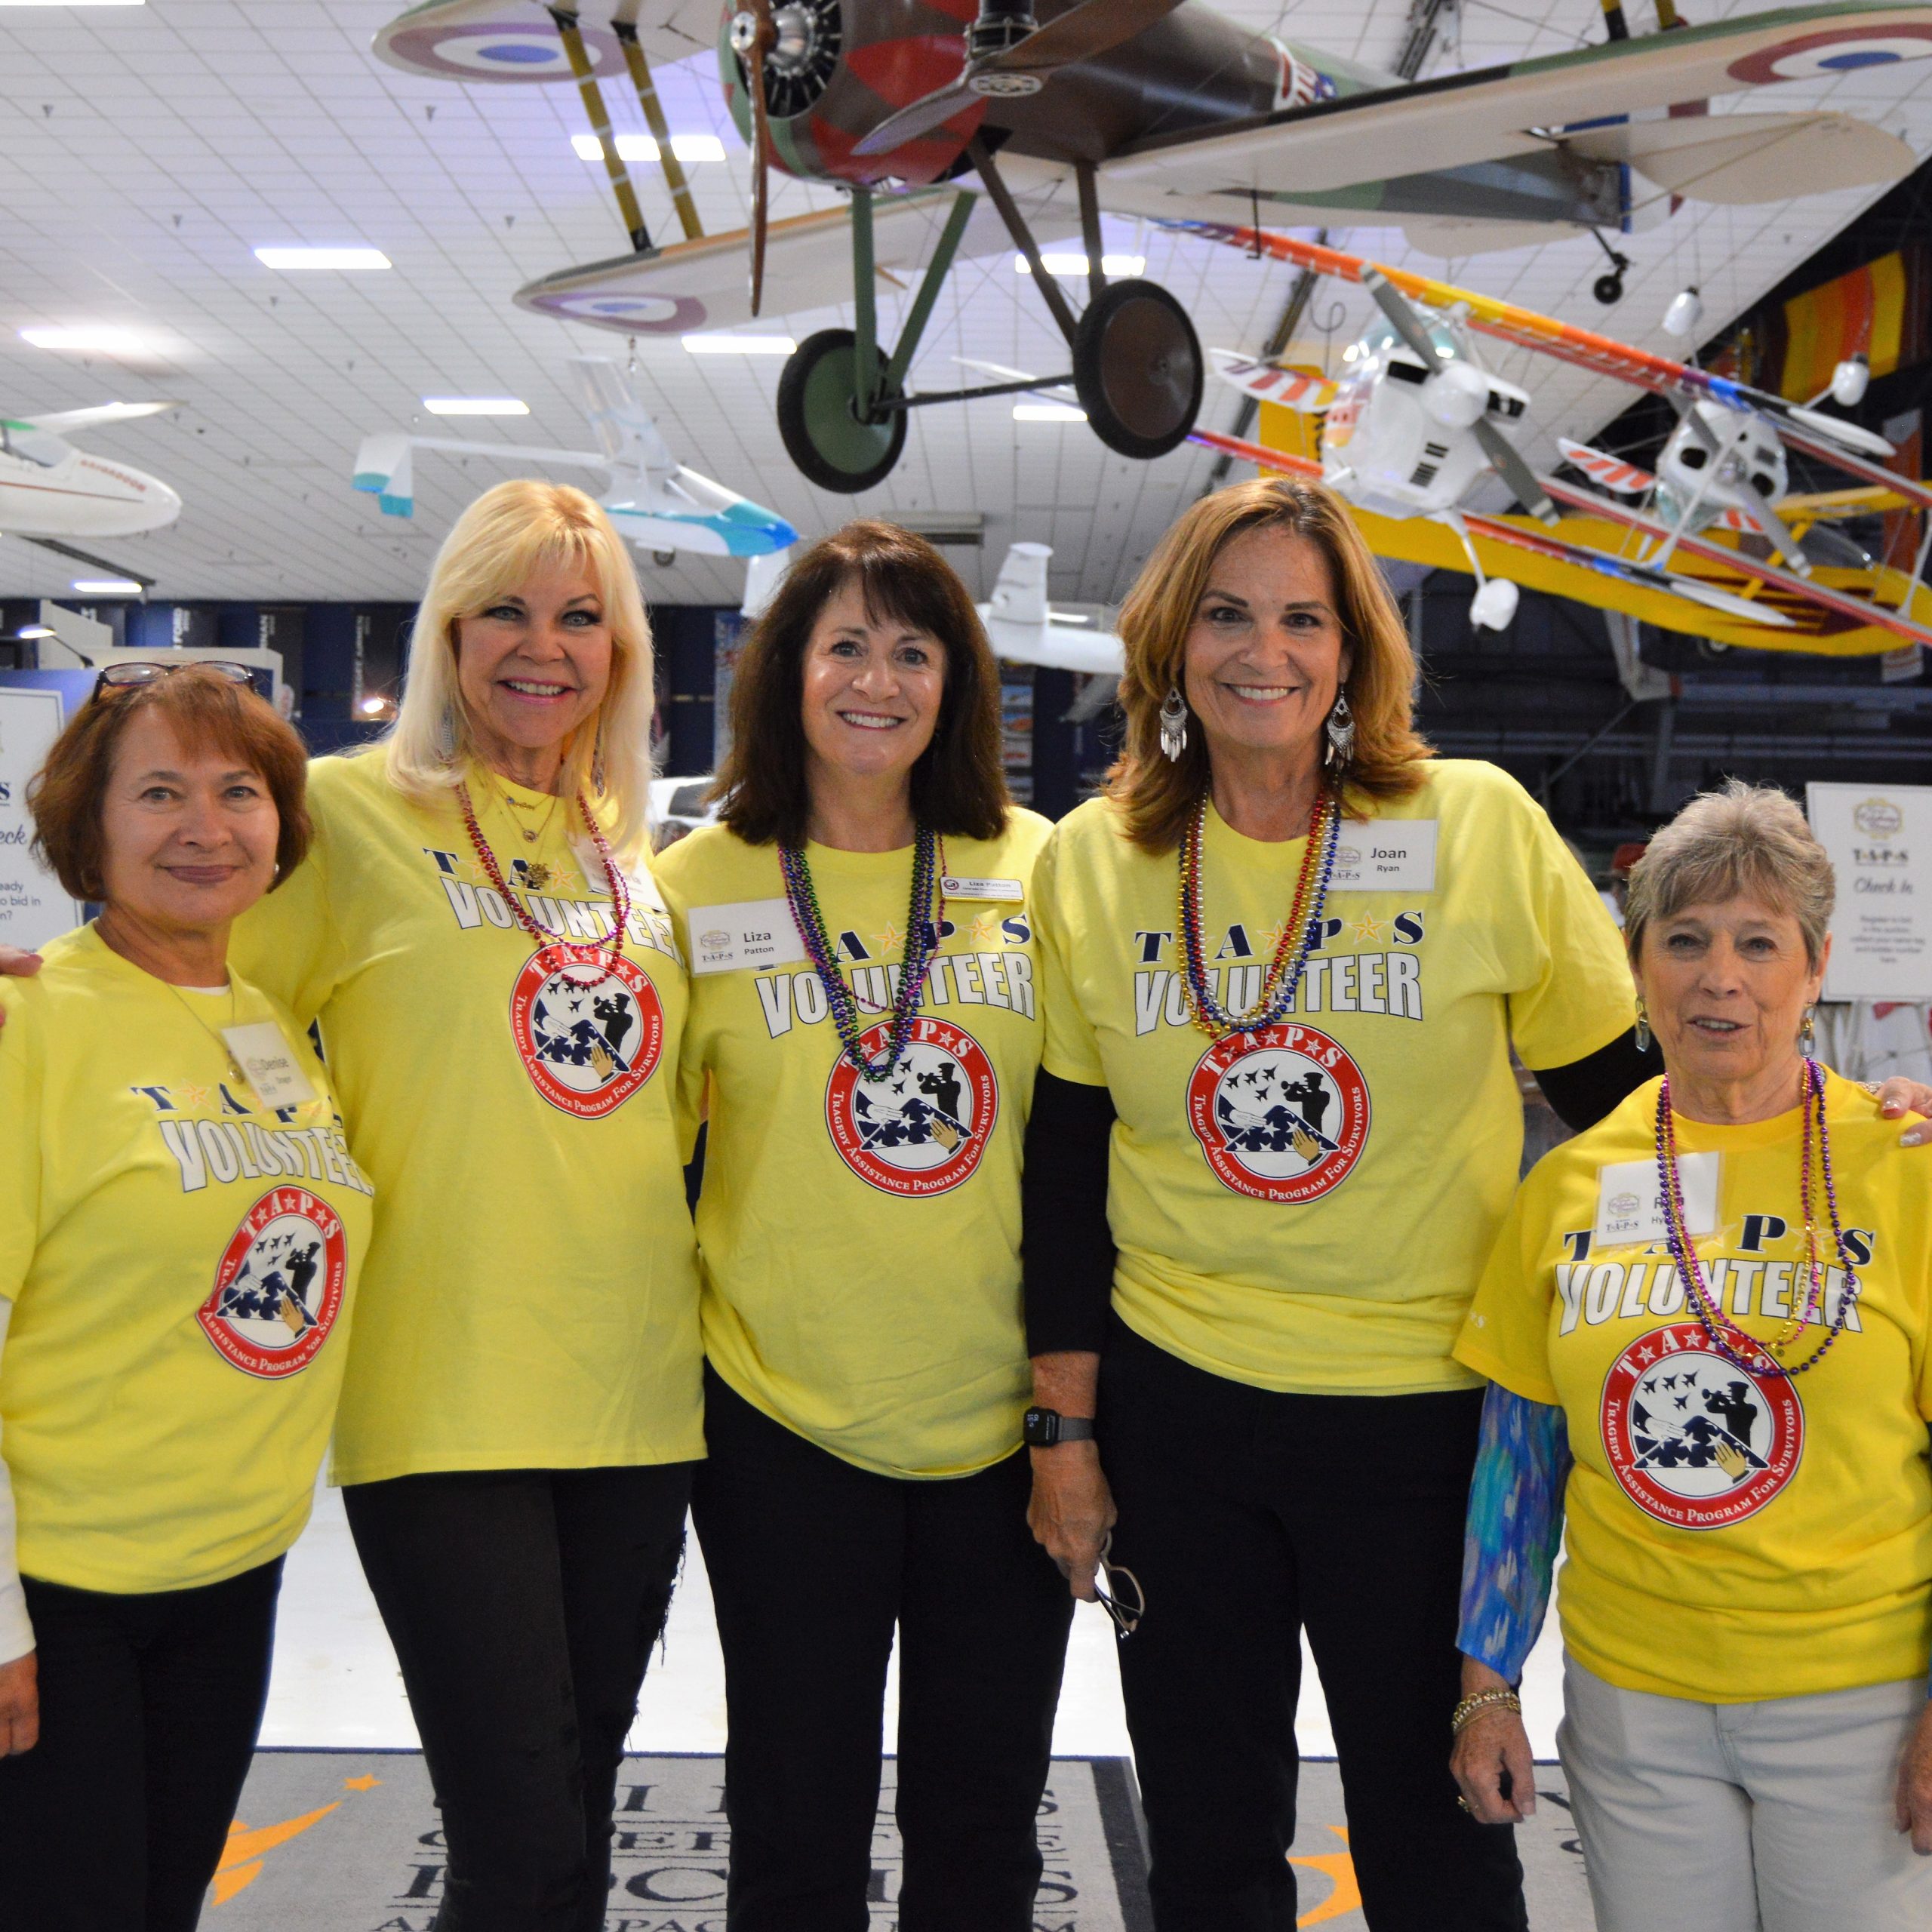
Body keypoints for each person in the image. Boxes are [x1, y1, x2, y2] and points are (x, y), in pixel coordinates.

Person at [1017, 475, 1932, 1932]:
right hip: (1179, 1408)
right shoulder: (1091, 859)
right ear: (1171, 646)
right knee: (1204, 1833)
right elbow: (1063, 1164)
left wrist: (1841, 1129)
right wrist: (1064, 1430)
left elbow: (1635, 1093)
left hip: (1418, 1418)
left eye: (1305, 618)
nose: (1267, 650)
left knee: (1435, 1839)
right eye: (1228, 614)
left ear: (1353, 650)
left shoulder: (1474, 826)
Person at [652, 521, 1072, 1930]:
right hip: (779, 1424)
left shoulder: (1040, 868)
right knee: (790, 1823)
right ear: (788, 672)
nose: (876, 681)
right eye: (845, 646)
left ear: (957, 681)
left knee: (983, 1828)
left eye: (913, 648)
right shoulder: (695, 884)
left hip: (1003, 1426)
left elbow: (1089, 1146)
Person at [1451, 780, 1932, 1930]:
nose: (1720, 975)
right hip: (1636, 1707)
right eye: (1685, 940)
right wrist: (1486, 1691)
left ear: (1814, 971)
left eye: (1759, 943)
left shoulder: (1905, 1162)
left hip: (1859, 1704)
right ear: (1637, 966)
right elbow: (1517, 1463)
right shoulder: (1569, 1180)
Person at [0, 663, 373, 1930]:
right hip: (62, 1592)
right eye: (159, 792)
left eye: (239, 792)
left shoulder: (269, 1024)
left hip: (232, 1570)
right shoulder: (30, 1020)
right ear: (87, 824)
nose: (206, 827)